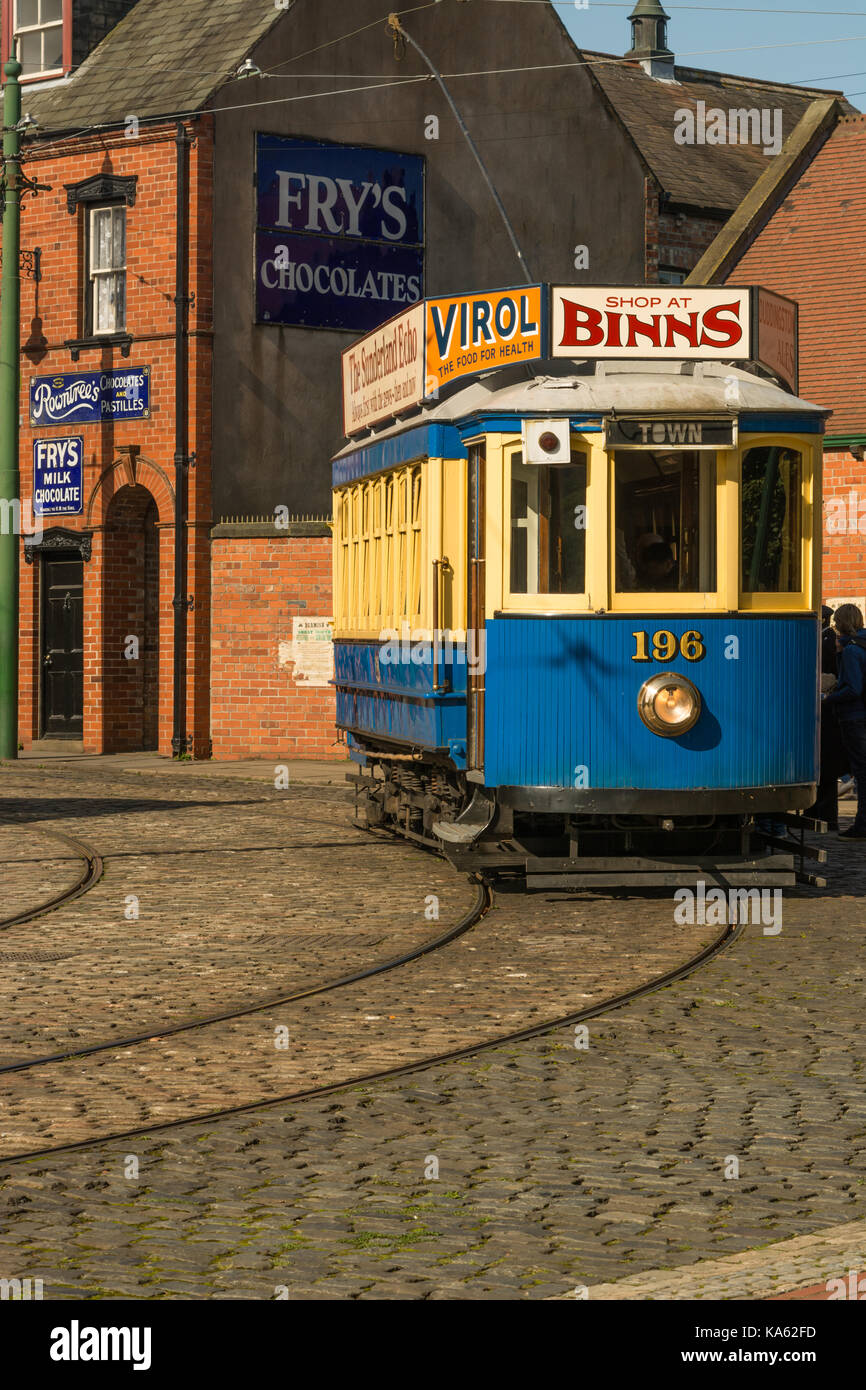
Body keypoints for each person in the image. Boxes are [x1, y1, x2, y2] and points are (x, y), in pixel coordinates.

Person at [823, 603, 866, 839]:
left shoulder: (850, 650)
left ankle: (862, 824)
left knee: (861, 771)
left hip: (854, 717)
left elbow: (852, 688)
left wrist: (828, 699)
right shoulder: (863, 643)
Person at [809, 605, 847, 831]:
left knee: (828, 767)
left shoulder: (828, 640)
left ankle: (826, 815)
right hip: (824, 710)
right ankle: (818, 812)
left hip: (828, 709)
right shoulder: (826, 638)